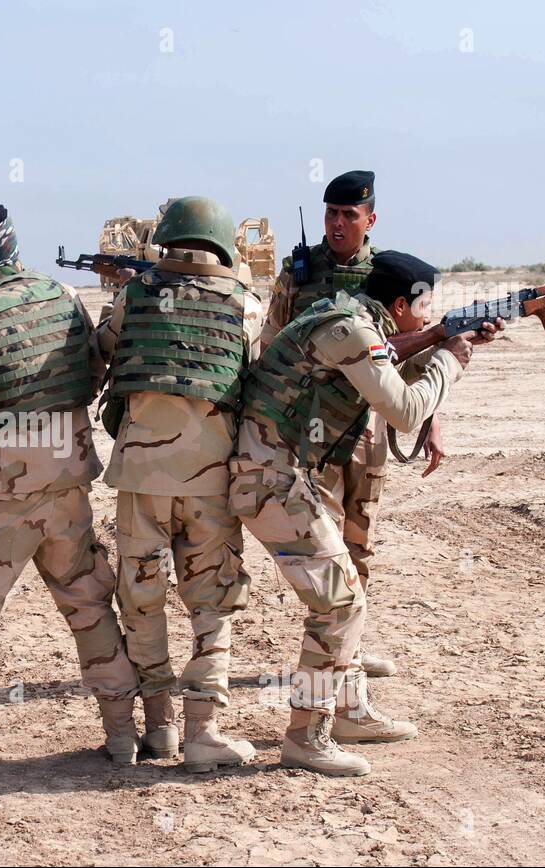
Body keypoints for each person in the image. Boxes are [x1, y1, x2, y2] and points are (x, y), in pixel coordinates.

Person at [233, 251, 504, 775]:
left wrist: (438, 340)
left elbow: (386, 355)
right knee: (340, 603)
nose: (428, 319)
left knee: (344, 596)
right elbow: (403, 410)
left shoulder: (346, 315)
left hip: (274, 474)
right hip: (269, 480)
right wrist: (450, 359)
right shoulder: (353, 329)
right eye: (424, 309)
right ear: (400, 305)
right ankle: (306, 737)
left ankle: (343, 715)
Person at [0, 203, 139, 779]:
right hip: (66, 481)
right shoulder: (63, 295)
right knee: (89, 603)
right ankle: (121, 736)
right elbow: (90, 375)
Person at [96, 196, 263, 773]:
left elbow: (104, 352)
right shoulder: (246, 304)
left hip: (142, 476)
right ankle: (204, 731)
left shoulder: (135, 295)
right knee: (213, 601)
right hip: (214, 478)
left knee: (141, 599)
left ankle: (160, 727)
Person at [264, 170, 431, 680]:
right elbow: (271, 344)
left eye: (349, 216)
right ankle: (335, 647)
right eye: (331, 214)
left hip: (371, 429)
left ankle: (350, 650)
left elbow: (419, 350)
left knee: (361, 540)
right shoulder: (298, 272)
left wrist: (430, 423)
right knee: (328, 543)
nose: (338, 224)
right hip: (315, 432)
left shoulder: (389, 275)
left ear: (369, 219)